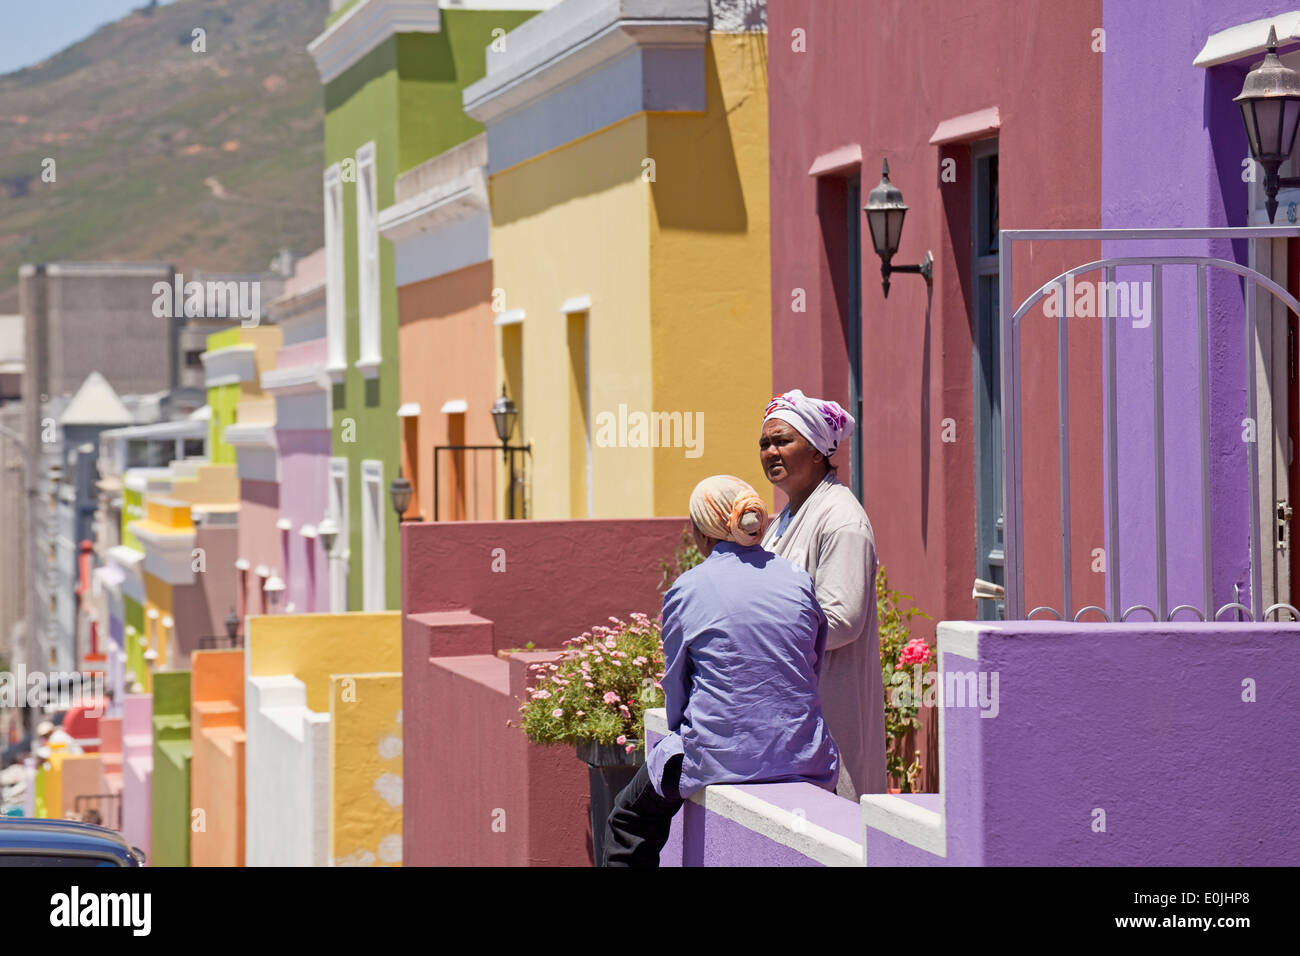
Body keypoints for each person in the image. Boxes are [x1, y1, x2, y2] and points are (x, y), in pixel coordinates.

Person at [602, 475, 839, 867]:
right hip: (805, 757)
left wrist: (682, 730)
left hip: (720, 759)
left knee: (628, 819)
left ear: (702, 533)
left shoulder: (688, 588)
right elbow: (810, 665)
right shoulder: (799, 580)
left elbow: (676, 685)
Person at [759, 389, 887, 799]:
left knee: (834, 829)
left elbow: (842, 621)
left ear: (817, 451)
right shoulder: (787, 518)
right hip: (790, 712)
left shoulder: (841, 519)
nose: (771, 452)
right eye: (765, 443)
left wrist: (760, 632)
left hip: (829, 709)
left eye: (783, 440)